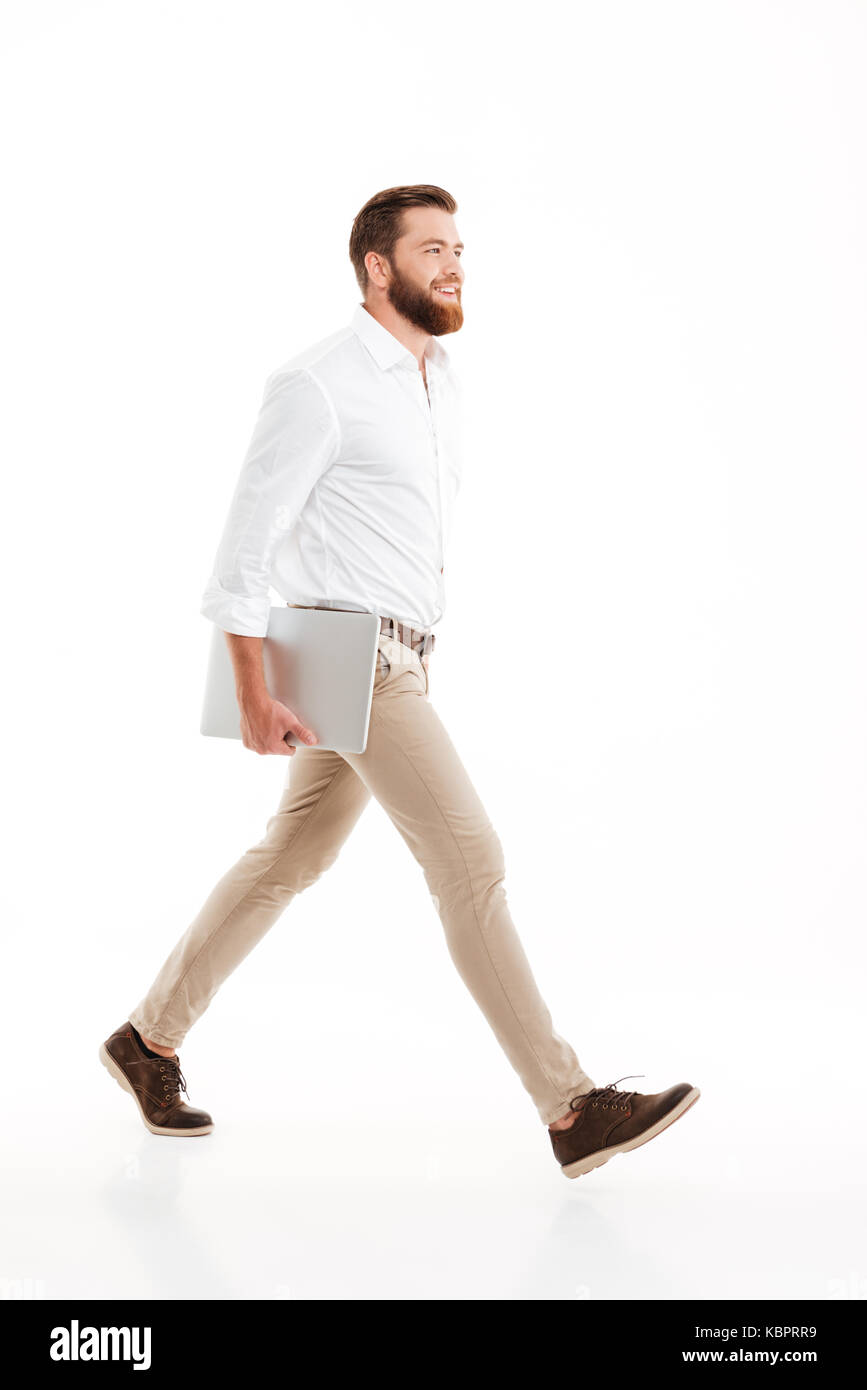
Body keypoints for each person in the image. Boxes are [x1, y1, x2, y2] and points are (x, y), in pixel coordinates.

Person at [99, 184, 700, 1179]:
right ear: (378, 267)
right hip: (350, 654)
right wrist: (252, 686)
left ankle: (147, 1038)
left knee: (290, 856)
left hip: (396, 651)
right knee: (471, 858)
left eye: (459, 247)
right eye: (432, 249)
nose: (455, 264)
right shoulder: (320, 381)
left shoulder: (439, 379)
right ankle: (570, 1106)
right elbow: (243, 549)